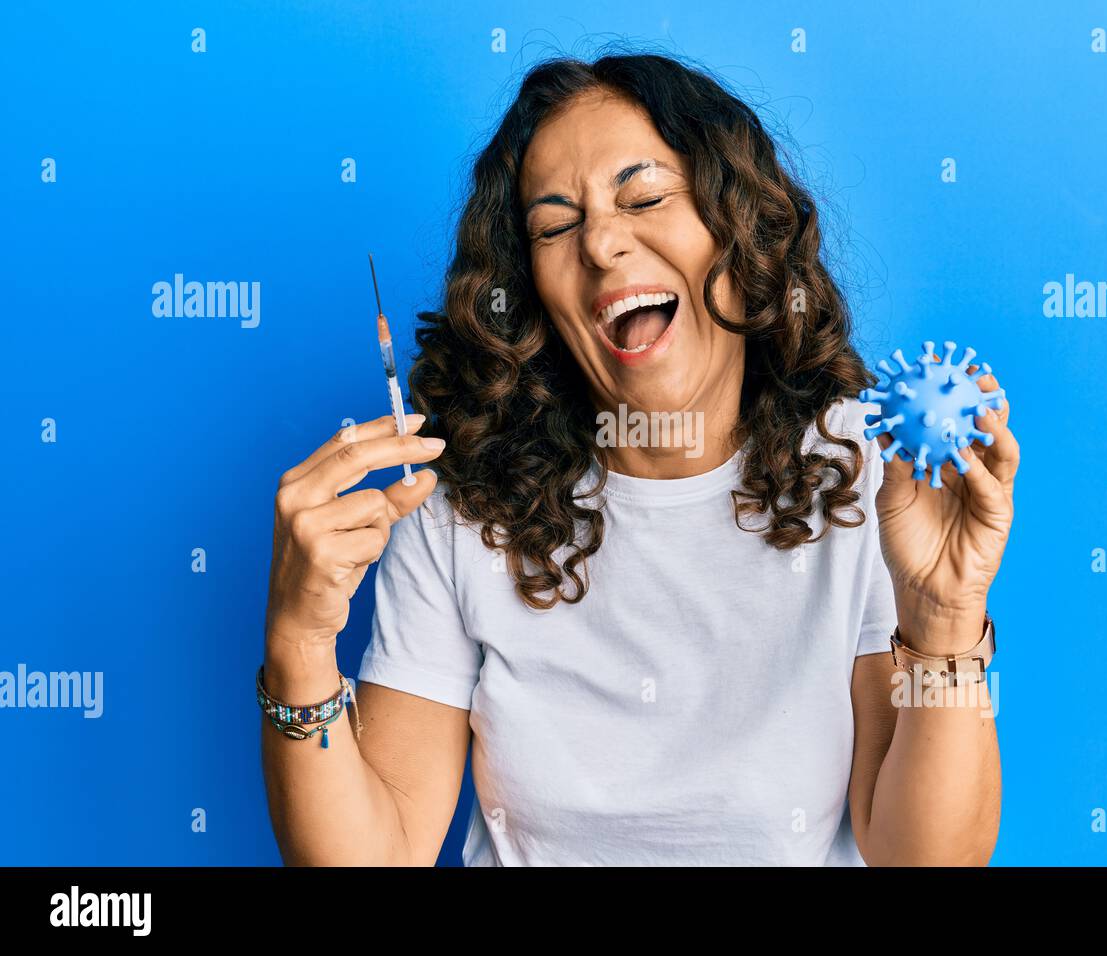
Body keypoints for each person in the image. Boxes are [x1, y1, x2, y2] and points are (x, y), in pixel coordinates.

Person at [260, 52, 1019, 866]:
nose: (602, 244)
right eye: (555, 226)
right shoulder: (459, 507)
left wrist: (942, 628)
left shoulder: (861, 471)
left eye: (645, 196)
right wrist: (299, 644)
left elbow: (928, 860)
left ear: (739, 225)